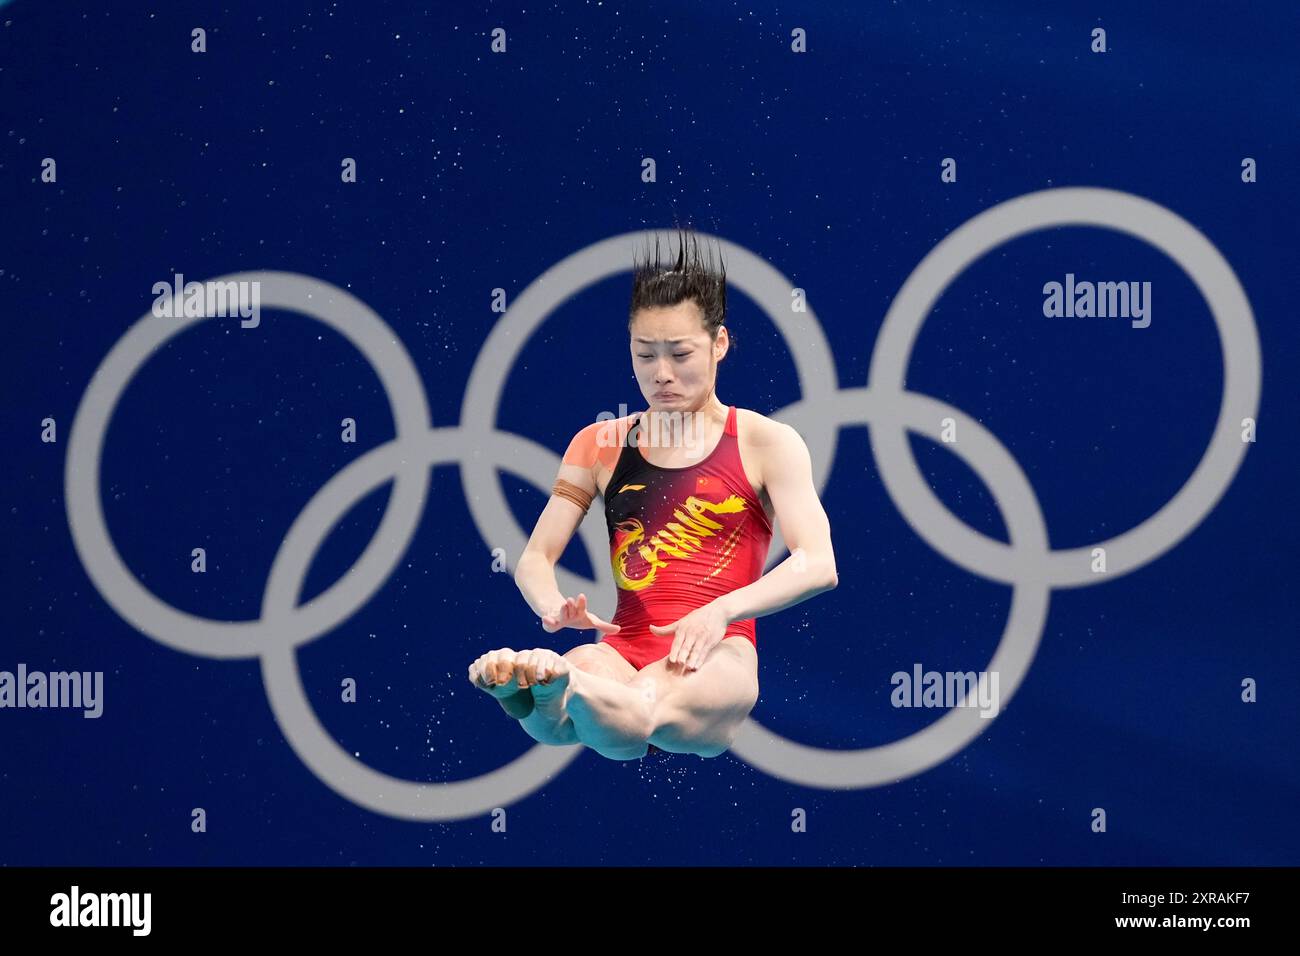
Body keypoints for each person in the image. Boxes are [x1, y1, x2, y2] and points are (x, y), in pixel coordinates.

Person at [468, 228, 838, 760]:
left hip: (719, 656)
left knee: (636, 708)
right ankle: (546, 690)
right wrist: (552, 608)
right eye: (645, 356)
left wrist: (720, 612)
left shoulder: (765, 442)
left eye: (680, 354)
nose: (661, 374)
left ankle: (547, 690)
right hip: (623, 647)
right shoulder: (599, 445)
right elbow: (535, 558)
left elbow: (819, 562)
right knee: (587, 702)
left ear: (720, 345)